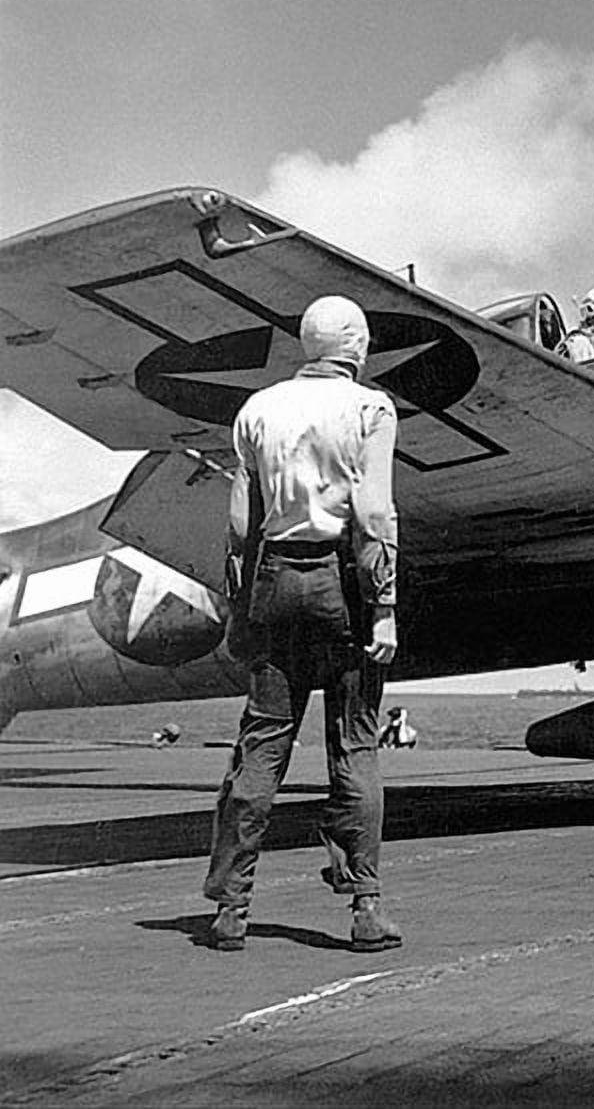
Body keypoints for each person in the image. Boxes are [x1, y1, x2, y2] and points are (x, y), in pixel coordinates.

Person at [203, 295, 403, 953]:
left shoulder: (257, 409)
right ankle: (365, 909)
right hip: (342, 585)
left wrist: (239, 610)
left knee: (261, 749)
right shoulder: (371, 408)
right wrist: (385, 607)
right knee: (355, 747)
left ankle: (232, 909)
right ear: (358, 346)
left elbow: (240, 526)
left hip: (275, 586)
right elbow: (375, 517)